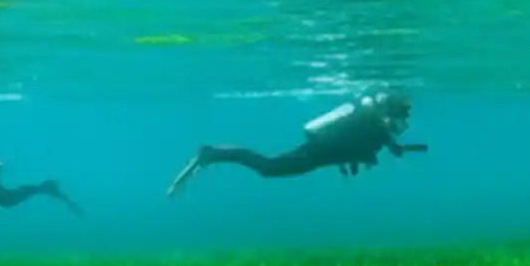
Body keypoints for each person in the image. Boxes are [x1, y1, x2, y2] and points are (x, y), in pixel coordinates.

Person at [167, 91, 427, 196]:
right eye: (402, 118)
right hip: (311, 157)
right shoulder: (373, 127)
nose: (403, 125)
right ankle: (211, 154)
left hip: (315, 156)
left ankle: (212, 155)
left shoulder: (373, 127)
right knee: (267, 168)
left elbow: (381, 147)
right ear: (389, 114)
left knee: (268, 168)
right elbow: (373, 145)